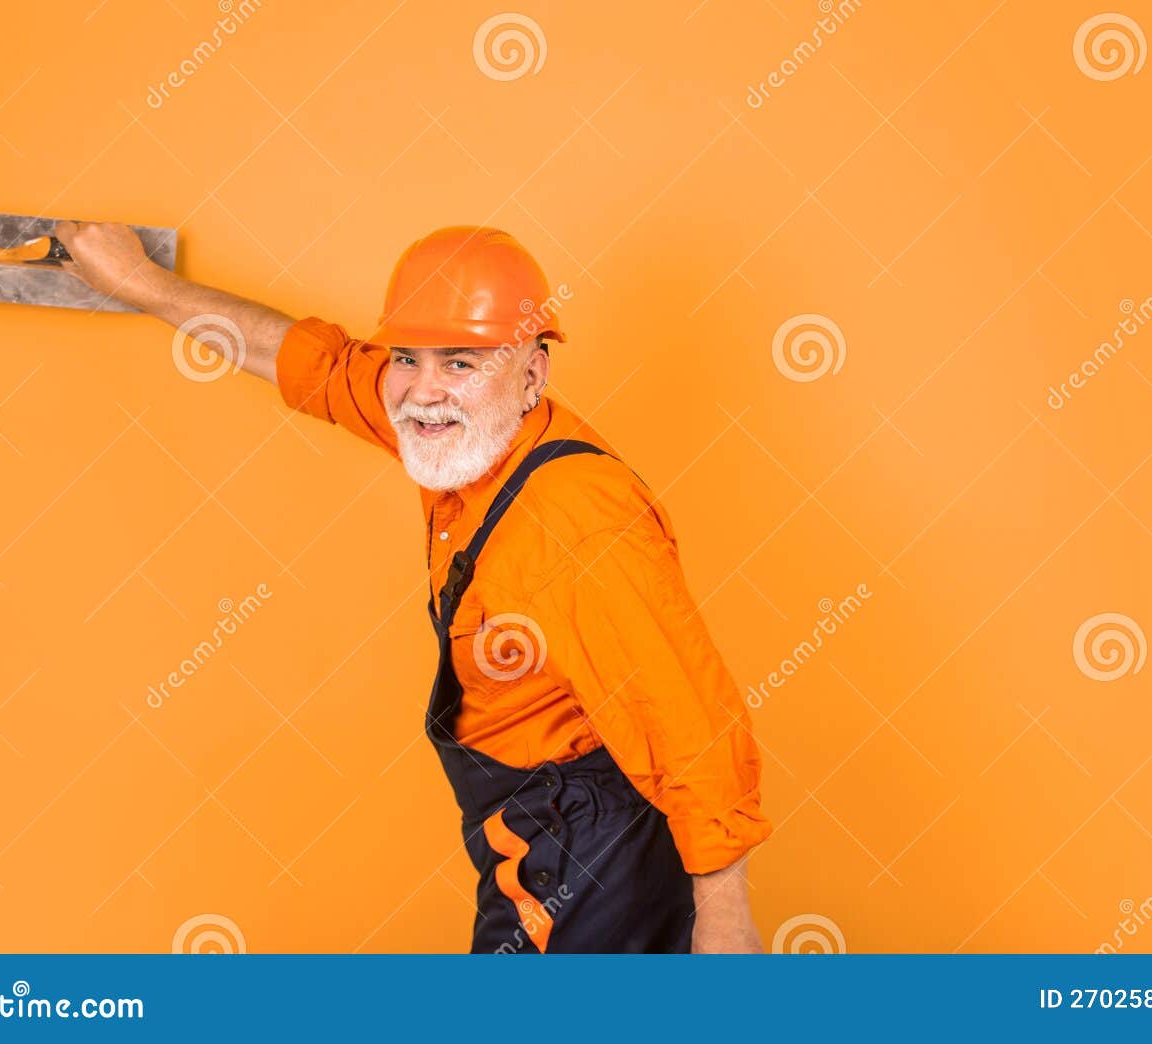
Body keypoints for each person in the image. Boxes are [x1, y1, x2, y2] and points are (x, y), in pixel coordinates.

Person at [53, 221, 773, 953]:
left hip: (588, 853)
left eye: (460, 362)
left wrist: (724, 927)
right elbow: (317, 365)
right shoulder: (464, 435)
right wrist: (138, 284)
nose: (423, 392)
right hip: (531, 834)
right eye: (406, 357)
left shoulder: (576, 523)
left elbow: (689, 723)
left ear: (531, 376)